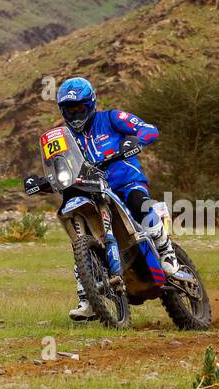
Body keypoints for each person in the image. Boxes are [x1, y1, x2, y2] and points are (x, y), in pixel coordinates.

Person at [51, 76, 188, 321]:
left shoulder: (112, 118)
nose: (75, 113)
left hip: (125, 181)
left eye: (80, 107)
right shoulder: (62, 137)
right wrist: (43, 179)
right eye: (70, 109)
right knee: (82, 240)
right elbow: (57, 162)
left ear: (91, 103)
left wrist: (134, 140)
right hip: (90, 189)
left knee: (138, 202)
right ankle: (87, 298)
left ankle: (166, 251)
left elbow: (149, 129)